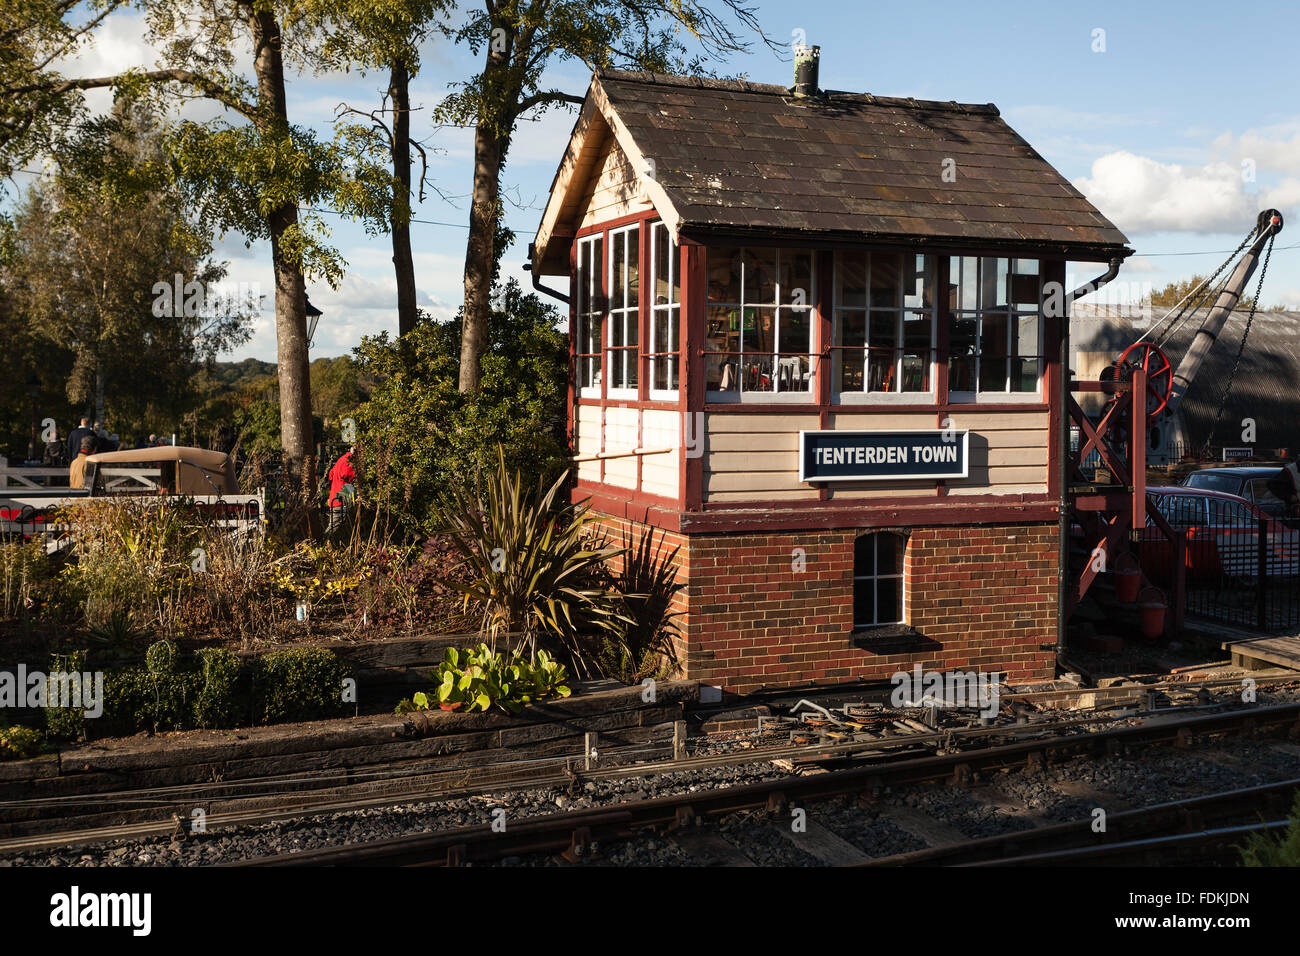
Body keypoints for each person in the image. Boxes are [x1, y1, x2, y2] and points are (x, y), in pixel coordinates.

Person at [326, 446, 356, 533]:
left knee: (334, 525)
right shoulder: (349, 462)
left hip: (334, 498)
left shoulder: (341, 459)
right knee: (334, 526)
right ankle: (324, 542)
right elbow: (347, 475)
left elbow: (331, 474)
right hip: (340, 499)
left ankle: (326, 542)